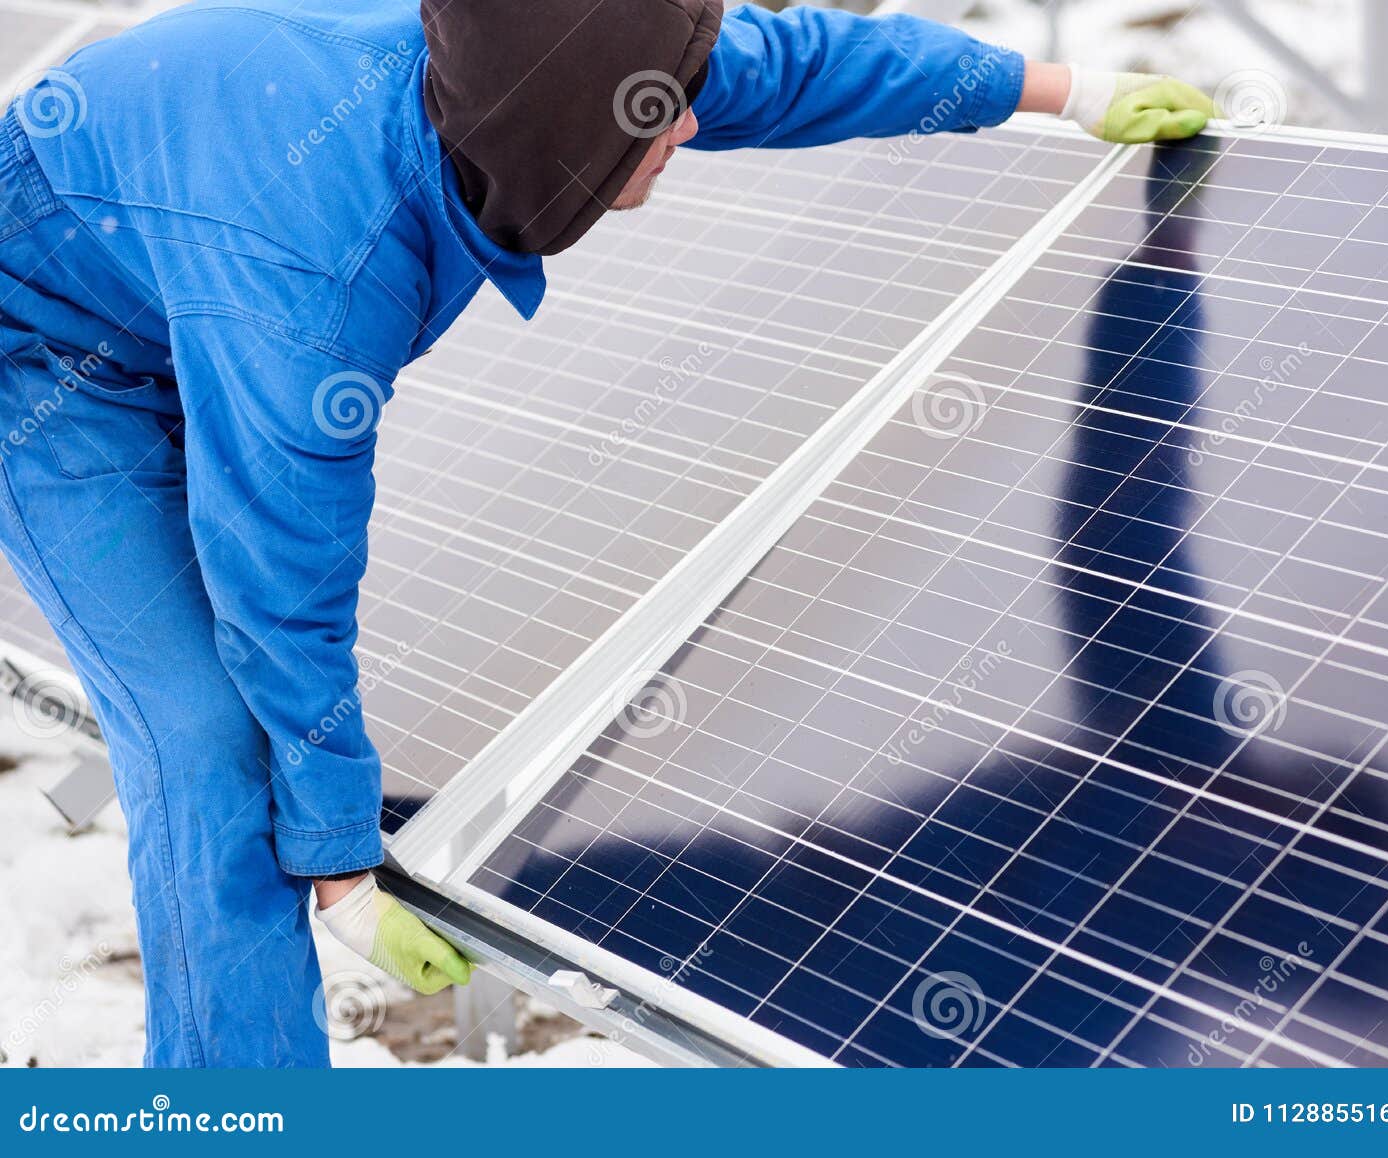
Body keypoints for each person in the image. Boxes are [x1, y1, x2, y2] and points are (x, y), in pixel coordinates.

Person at [0, 0, 1211, 1067]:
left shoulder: (555, 63)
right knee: (211, 737)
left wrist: (1054, 91)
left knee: (254, 697)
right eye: (659, 120)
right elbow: (279, 572)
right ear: (563, 153)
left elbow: (788, 63)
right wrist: (335, 859)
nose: (683, 128)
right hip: (45, 354)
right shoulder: (312, 280)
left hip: (177, 270)